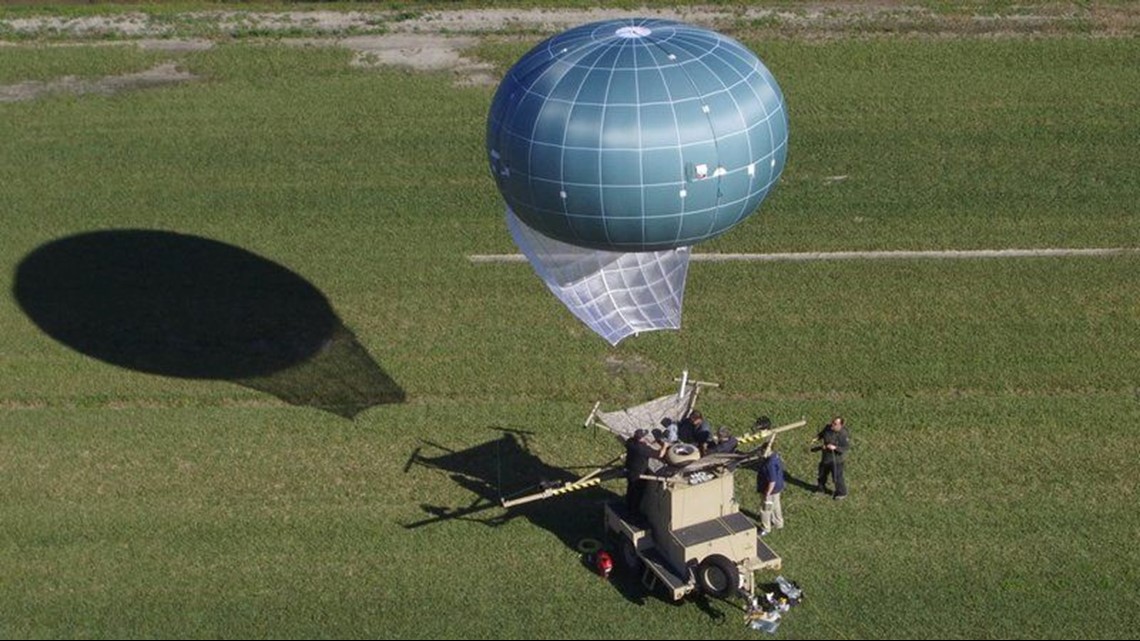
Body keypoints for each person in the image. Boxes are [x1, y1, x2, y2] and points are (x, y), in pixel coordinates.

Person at [624, 428, 664, 514]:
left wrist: (646, 443)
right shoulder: (642, 449)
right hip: (639, 474)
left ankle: (628, 506)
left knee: (630, 489)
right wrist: (665, 446)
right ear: (641, 438)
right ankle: (633, 512)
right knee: (637, 493)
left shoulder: (630, 442)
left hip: (629, 470)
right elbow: (659, 455)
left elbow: (638, 444)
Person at [814, 415, 850, 500]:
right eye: (832, 423)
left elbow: (845, 448)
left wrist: (835, 448)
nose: (832, 425)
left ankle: (842, 493)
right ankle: (821, 489)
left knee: (837, 477)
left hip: (836, 460)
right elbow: (822, 433)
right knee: (822, 474)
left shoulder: (843, 434)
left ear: (840, 425)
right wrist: (817, 438)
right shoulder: (828, 428)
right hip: (826, 457)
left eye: (835, 424)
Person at [756, 441, 785, 535]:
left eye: (762, 450)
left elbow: (772, 481)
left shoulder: (769, 464)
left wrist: (767, 493)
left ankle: (765, 528)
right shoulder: (775, 456)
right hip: (778, 488)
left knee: (765, 509)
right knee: (776, 505)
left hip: (770, 490)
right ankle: (778, 523)